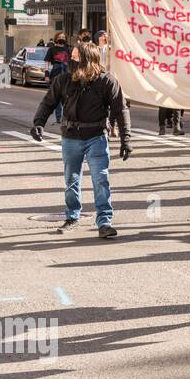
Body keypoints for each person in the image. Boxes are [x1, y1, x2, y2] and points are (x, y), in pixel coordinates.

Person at [30, 42, 132, 238]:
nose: (72, 61)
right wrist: (38, 123)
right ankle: (72, 217)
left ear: (89, 60)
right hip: (70, 137)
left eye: (77, 58)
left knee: (101, 179)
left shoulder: (107, 81)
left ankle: (104, 222)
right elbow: (48, 103)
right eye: (72, 57)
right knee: (71, 180)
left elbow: (121, 110)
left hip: (96, 137)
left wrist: (126, 139)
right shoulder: (63, 80)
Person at [44, 32, 71, 125]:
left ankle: (66, 117)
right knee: (57, 97)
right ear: (56, 38)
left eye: (63, 37)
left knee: (67, 98)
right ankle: (59, 118)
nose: (62, 38)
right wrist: (46, 75)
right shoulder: (52, 49)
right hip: (56, 72)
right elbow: (47, 62)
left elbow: (72, 62)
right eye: (60, 37)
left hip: (67, 74)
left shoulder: (68, 49)